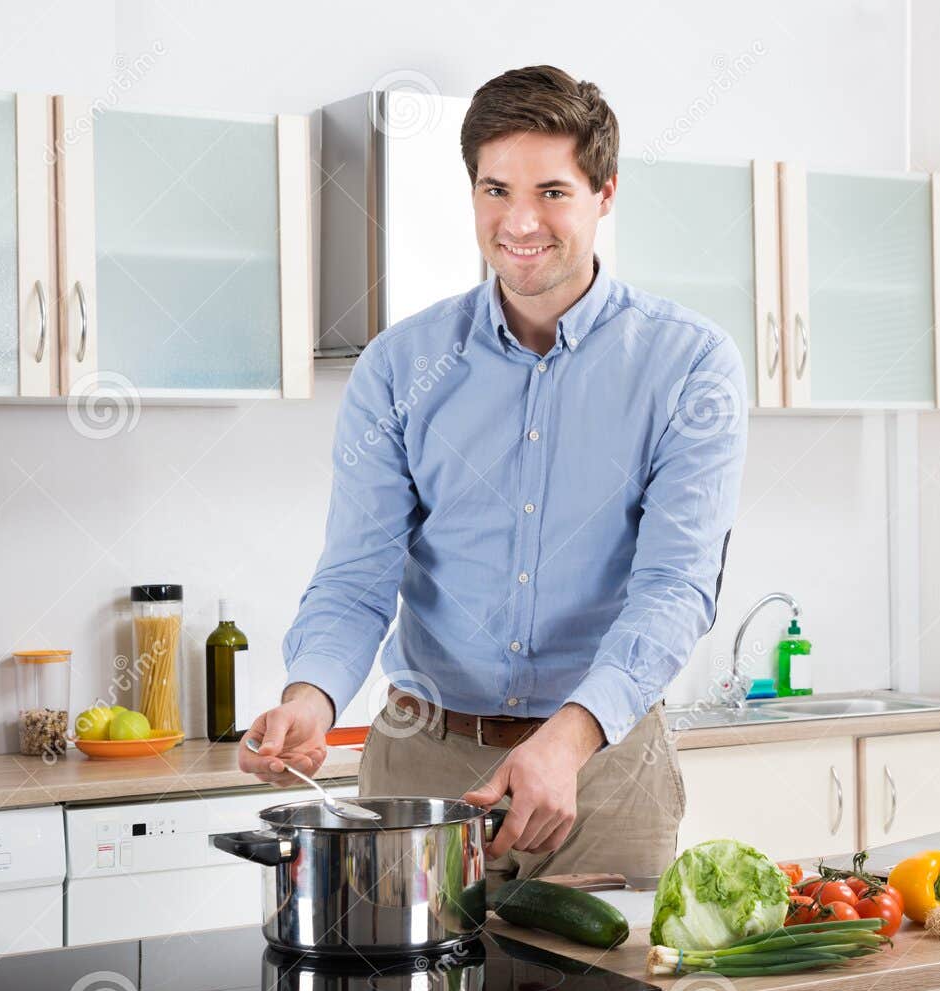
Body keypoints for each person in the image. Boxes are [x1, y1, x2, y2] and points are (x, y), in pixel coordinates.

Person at [240, 64, 748, 883]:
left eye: (552, 191)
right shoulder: (399, 366)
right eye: (494, 189)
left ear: (604, 193)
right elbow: (355, 578)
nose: (519, 221)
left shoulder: (688, 364)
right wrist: (311, 697)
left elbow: (676, 585)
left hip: (602, 771)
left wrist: (571, 735)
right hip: (418, 774)